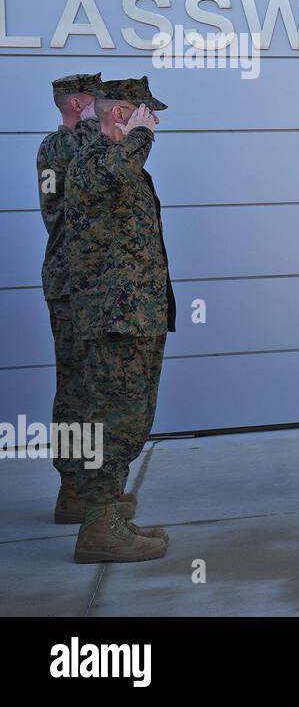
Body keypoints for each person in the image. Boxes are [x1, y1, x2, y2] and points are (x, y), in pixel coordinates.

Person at [64, 76, 175, 563]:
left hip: (136, 314)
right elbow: (115, 170)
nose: (151, 122)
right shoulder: (92, 159)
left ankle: (107, 514)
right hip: (115, 318)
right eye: (142, 112)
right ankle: (98, 529)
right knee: (111, 419)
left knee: (129, 418)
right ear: (118, 114)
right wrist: (140, 135)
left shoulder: (115, 161)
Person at [34, 73, 141, 522]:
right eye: (97, 102)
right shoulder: (67, 147)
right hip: (78, 284)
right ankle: (79, 489)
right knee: (85, 390)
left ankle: (82, 488)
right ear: (78, 104)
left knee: (82, 387)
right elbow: (103, 175)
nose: (105, 111)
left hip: (75, 282)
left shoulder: (56, 148)